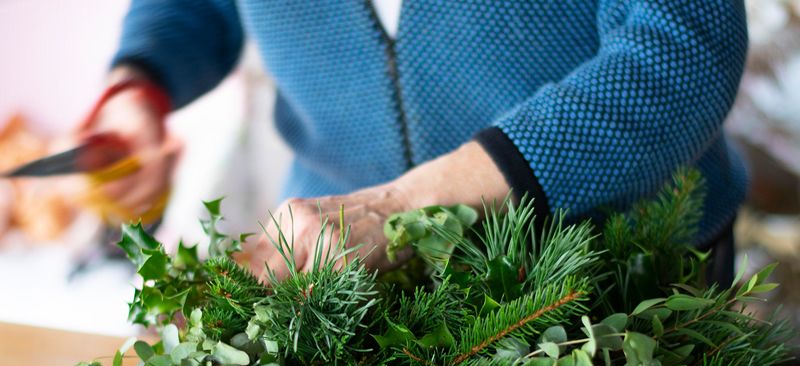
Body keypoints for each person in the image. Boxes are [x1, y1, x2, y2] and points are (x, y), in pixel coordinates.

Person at [81, 1, 748, 283]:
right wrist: (140, 81)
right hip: (334, 273)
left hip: (607, 274)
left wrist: (401, 208)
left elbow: (683, 48)